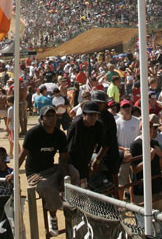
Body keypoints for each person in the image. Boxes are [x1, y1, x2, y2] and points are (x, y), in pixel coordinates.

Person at [19, 105, 68, 238]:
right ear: (42, 119)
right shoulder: (33, 133)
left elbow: (63, 158)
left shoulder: (60, 135)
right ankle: (53, 217)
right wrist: (13, 173)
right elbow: (22, 155)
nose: (52, 119)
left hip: (52, 168)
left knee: (73, 172)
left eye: (54, 115)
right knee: (47, 186)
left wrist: (64, 177)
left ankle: (72, 205)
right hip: (35, 173)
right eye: (48, 116)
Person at [65, 101, 106, 187]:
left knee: (85, 184)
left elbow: (104, 145)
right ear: (84, 115)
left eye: (95, 115)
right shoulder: (76, 124)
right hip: (72, 159)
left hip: (87, 157)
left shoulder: (98, 125)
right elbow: (67, 145)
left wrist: (96, 161)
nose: (93, 118)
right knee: (75, 183)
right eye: (90, 115)